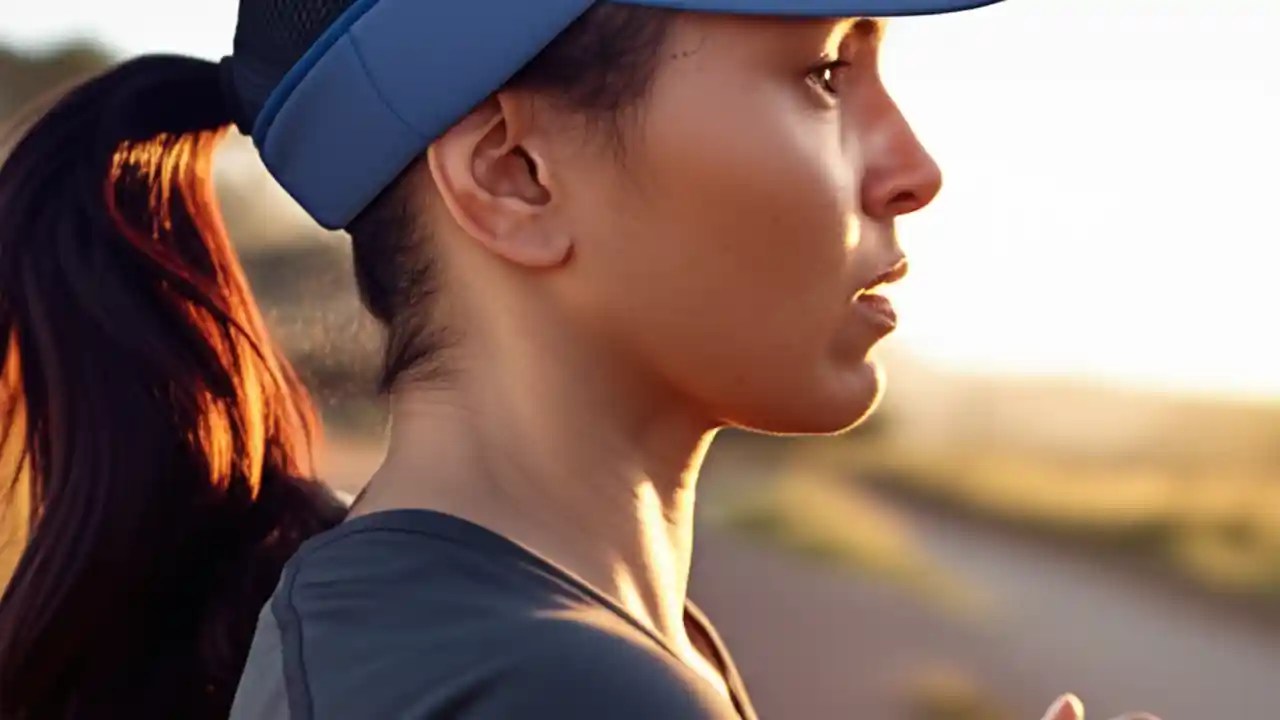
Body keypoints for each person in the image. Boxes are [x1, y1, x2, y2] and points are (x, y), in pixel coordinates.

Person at [0, 1, 1162, 719]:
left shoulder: (486, 637)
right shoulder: (547, 685)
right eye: (822, 74)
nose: (913, 169)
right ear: (513, 174)